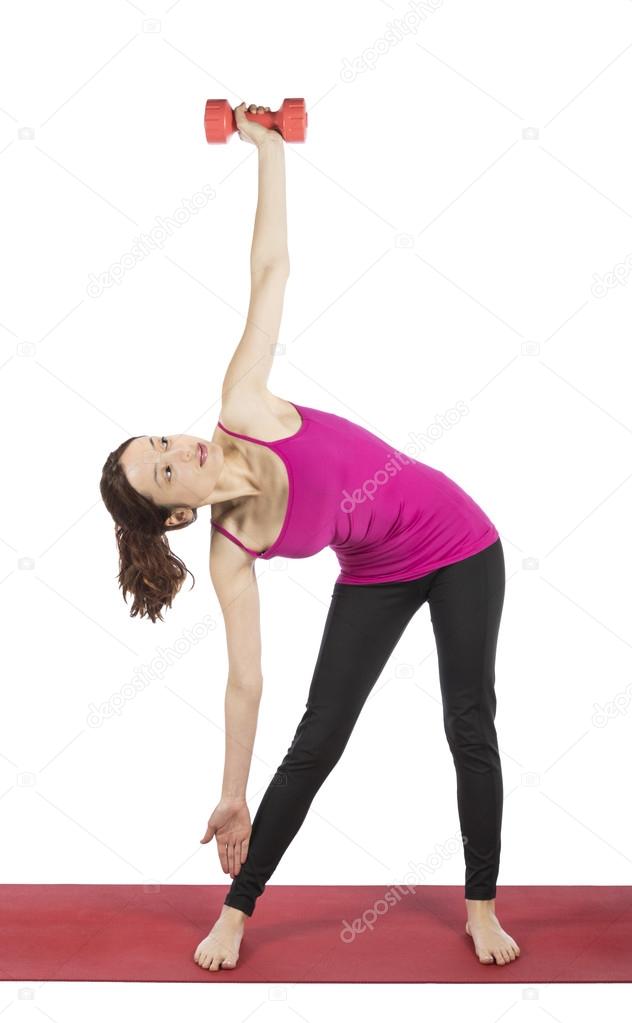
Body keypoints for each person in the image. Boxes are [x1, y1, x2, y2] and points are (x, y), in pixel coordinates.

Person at [99, 103, 520, 971]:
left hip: (463, 541)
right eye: (166, 470)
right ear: (178, 515)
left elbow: (271, 269)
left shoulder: (244, 406)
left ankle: (481, 903)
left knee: (468, 721)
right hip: (377, 571)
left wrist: (270, 151)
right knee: (317, 739)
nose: (180, 446)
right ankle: (237, 909)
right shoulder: (230, 551)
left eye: (161, 441)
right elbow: (245, 681)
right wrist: (229, 793)